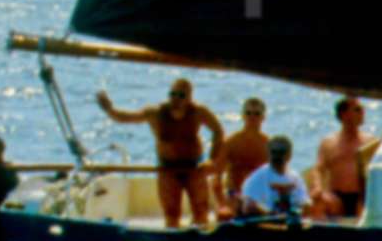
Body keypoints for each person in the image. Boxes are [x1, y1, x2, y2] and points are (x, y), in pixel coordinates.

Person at [96, 78, 224, 227]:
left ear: (190, 97)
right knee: (171, 213)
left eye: (181, 95)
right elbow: (126, 118)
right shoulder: (156, 113)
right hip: (167, 169)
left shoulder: (198, 112)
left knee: (201, 211)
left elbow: (218, 131)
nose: (175, 99)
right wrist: (109, 109)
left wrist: (211, 160)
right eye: (172, 94)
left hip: (194, 168)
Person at [313, 95, 369, 220]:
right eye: (357, 109)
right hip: (337, 197)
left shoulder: (370, 142)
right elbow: (318, 169)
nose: (362, 113)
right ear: (344, 115)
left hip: (361, 197)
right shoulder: (328, 143)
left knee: (365, 205)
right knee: (320, 202)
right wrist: (318, 188)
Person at [211, 96, 271, 211]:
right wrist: (222, 205)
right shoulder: (231, 142)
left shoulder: (268, 145)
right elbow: (217, 178)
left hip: (259, 197)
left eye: (256, 114)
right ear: (243, 116)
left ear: (263, 117)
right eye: (248, 113)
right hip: (234, 196)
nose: (252, 117)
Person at [238, 136, 314, 222]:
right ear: (268, 154)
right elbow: (248, 207)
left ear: (289, 155)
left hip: (289, 223)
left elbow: (305, 203)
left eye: (281, 152)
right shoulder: (257, 177)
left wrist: (301, 210)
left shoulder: (295, 177)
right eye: (274, 152)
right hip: (265, 223)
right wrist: (271, 214)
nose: (277, 156)